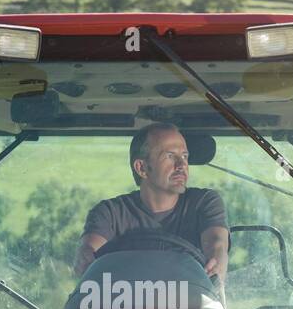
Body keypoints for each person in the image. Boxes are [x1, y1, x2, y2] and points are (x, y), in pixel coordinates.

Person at [74, 123, 229, 290]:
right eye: (170, 156)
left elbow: (216, 243)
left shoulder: (204, 202)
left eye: (184, 156)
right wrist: (85, 255)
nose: (182, 165)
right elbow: (89, 258)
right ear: (142, 168)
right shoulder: (110, 213)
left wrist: (217, 258)